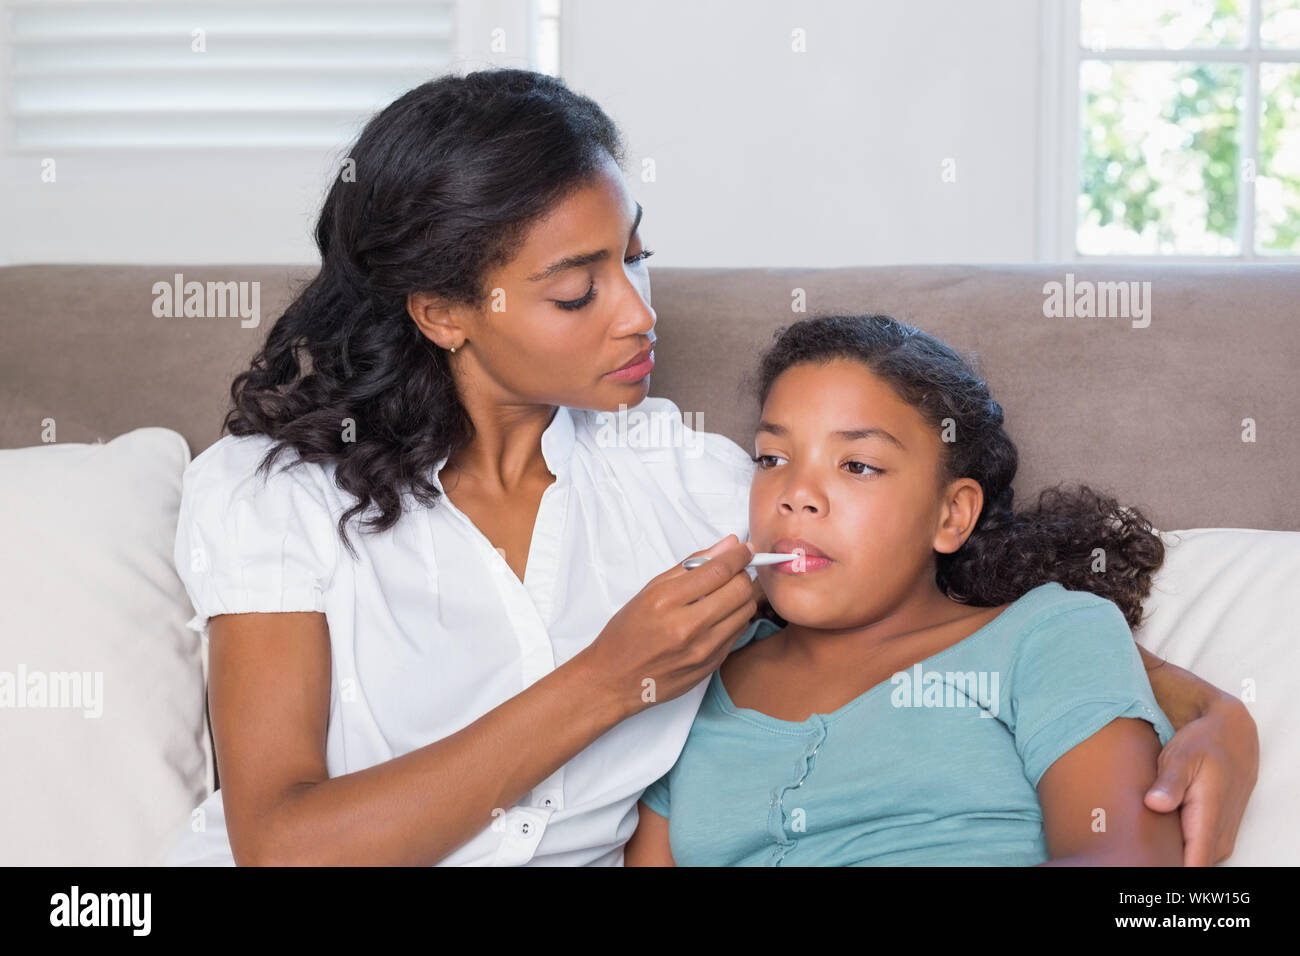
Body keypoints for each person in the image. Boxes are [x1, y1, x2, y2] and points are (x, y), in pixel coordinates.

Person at [164, 70, 1257, 867]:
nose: (640, 314)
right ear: (444, 311)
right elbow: (284, 841)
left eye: (634, 255)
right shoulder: (279, 492)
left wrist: (1215, 713)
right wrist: (606, 680)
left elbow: (931, 589)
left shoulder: (677, 477)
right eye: (575, 288)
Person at [626, 315, 1193, 865]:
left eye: (858, 465)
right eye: (772, 458)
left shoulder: (1050, 635)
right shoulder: (698, 670)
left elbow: (1129, 861)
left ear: (951, 514)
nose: (796, 494)